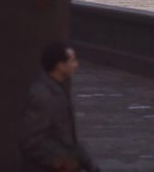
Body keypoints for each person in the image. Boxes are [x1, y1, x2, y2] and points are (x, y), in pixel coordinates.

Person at [20, 42, 100, 172]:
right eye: (73, 61)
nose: (76, 65)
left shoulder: (58, 89)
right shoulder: (42, 95)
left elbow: (67, 137)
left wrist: (86, 160)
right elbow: (32, 142)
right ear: (60, 65)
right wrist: (66, 163)